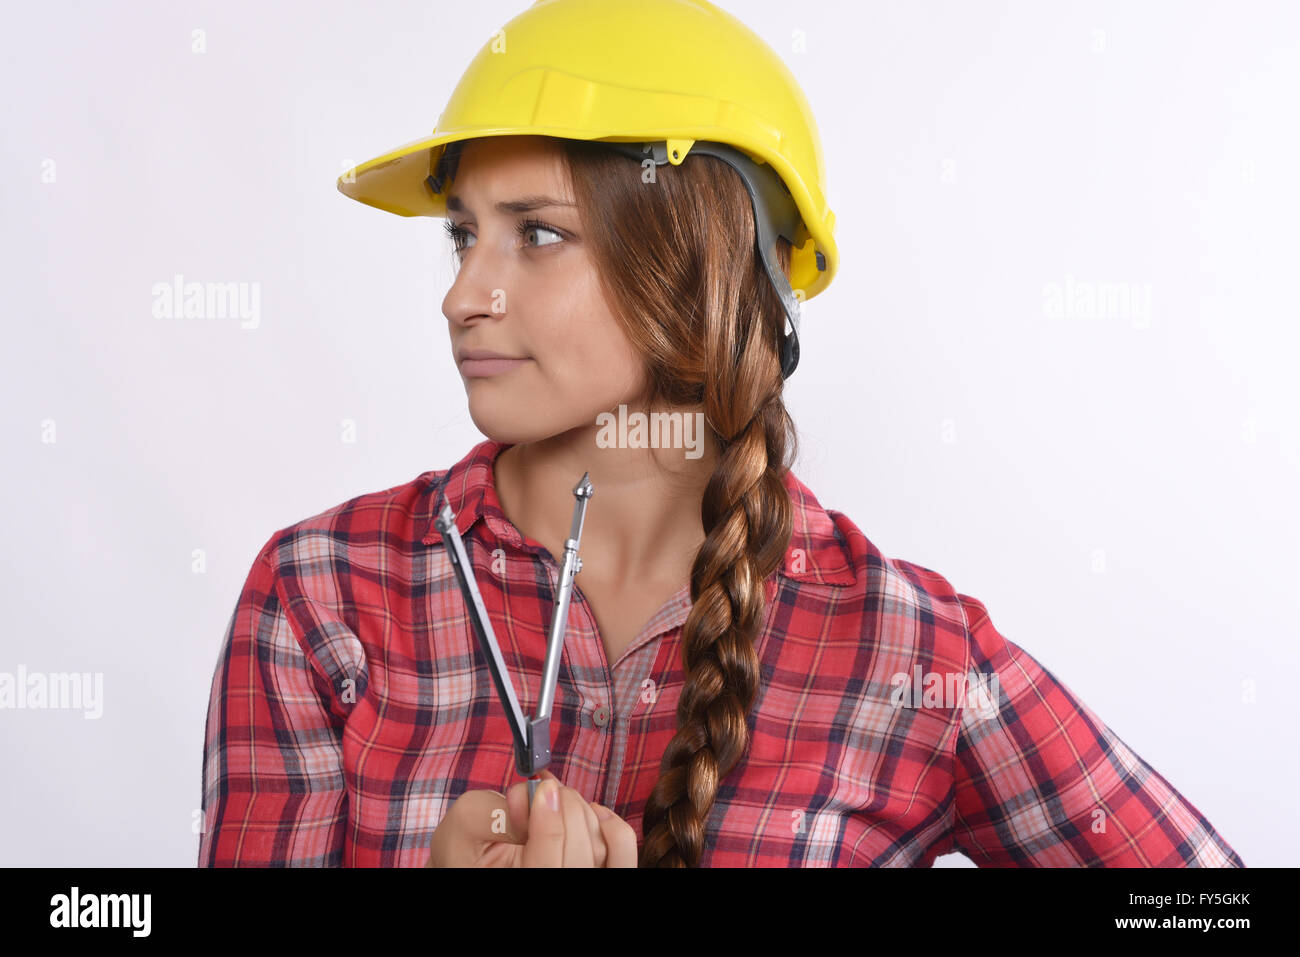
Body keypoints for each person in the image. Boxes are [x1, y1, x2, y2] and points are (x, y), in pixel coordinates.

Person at [198, 0, 1244, 868]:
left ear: (695, 267)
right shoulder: (324, 597)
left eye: (539, 234)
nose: (464, 294)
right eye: (464, 235)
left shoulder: (906, 650)